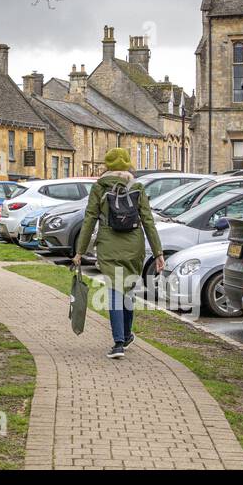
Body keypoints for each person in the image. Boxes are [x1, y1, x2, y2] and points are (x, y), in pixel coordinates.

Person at [72, 148, 164, 359]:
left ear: (108, 165)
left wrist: (80, 251)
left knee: (115, 289)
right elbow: (148, 221)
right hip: (134, 245)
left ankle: (119, 342)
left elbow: (89, 220)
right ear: (127, 165)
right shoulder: (137, 187)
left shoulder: (99, 187)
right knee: (127, 288)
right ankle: (126, 335)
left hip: (108, 244)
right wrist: (158, 252)